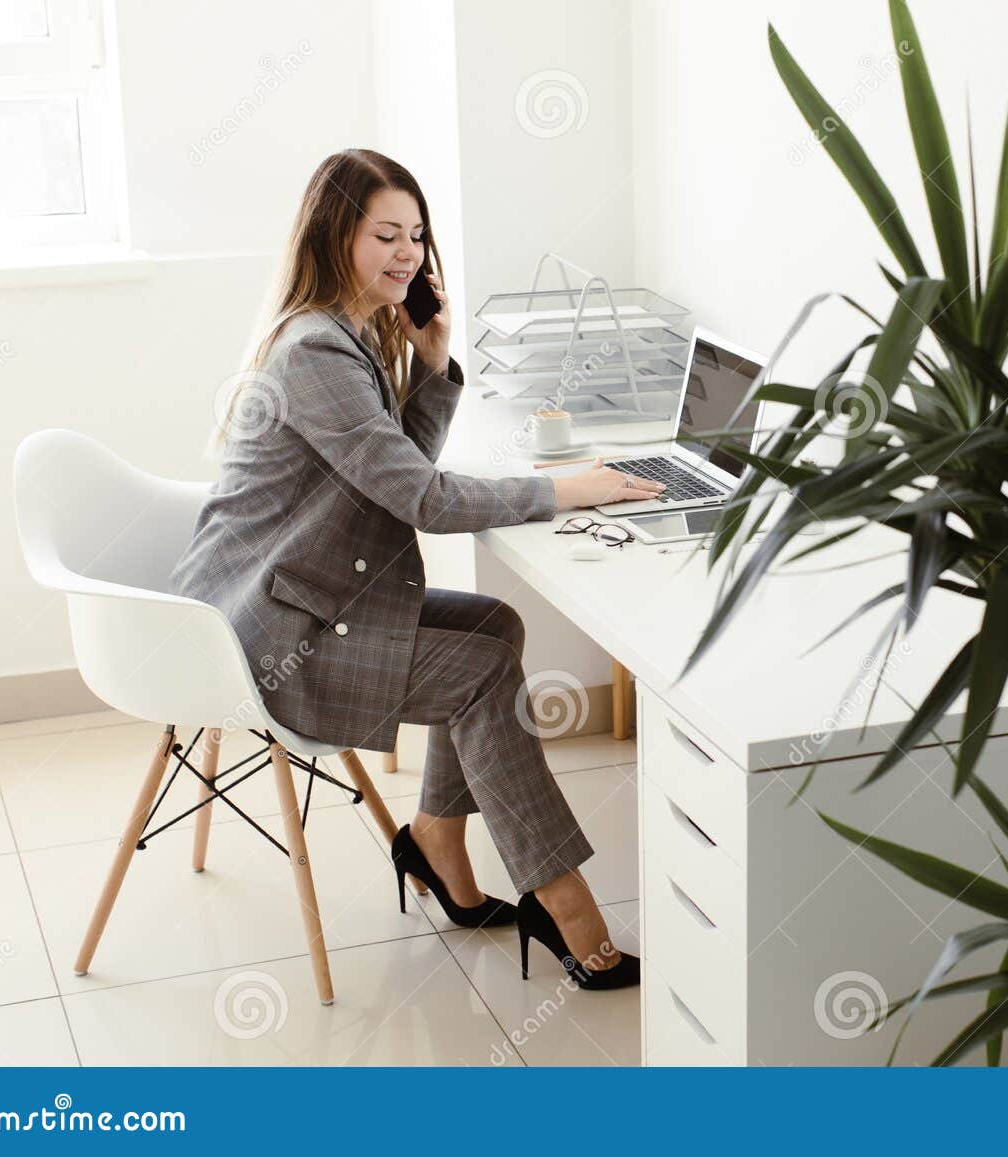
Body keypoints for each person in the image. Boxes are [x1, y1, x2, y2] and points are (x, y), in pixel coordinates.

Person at [169, 148, 661, 989]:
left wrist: (429, 367)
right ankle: (564, 903)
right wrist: (564, 489)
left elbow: (395, 481)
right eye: (387, 235)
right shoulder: (315, 353)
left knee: (497, 626)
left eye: (418, 237)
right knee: (477, 673)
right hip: (270, 634)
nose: (410, 255)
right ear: (335, 238)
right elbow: (423, 499)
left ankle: (435, 841)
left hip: (291, 601)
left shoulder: (347, 334)